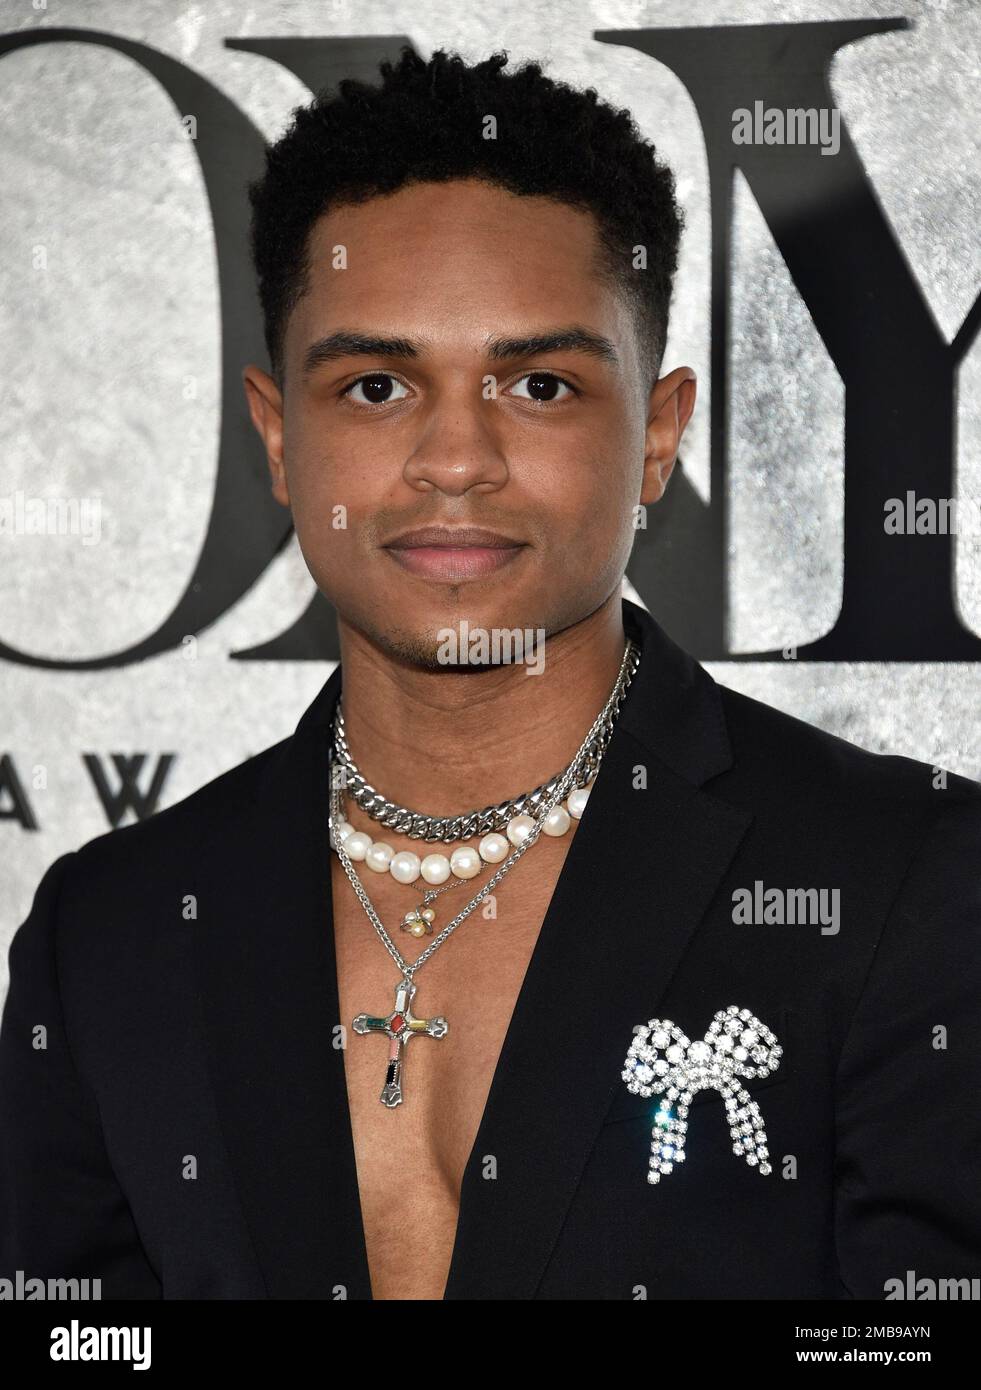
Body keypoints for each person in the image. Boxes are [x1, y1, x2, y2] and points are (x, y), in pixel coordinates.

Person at [2, 47, 979, 1302]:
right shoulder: (111, 937)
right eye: (376, 384)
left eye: (537, 383)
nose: (455, 457)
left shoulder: (904, 878)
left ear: (658, 435)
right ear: (280, 438)